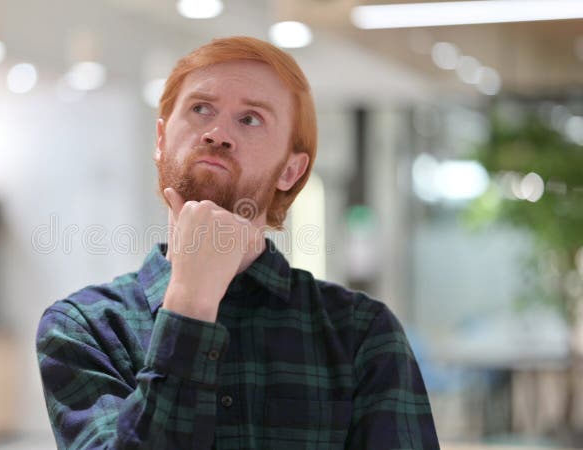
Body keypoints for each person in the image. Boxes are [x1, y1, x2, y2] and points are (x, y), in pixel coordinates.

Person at [36, 36, 439, 449]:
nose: (217, 133)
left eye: (250, 119)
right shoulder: (85, 328)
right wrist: (190, 307)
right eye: (200, 109)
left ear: (291, 170)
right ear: (160, 141)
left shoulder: (361, 334)